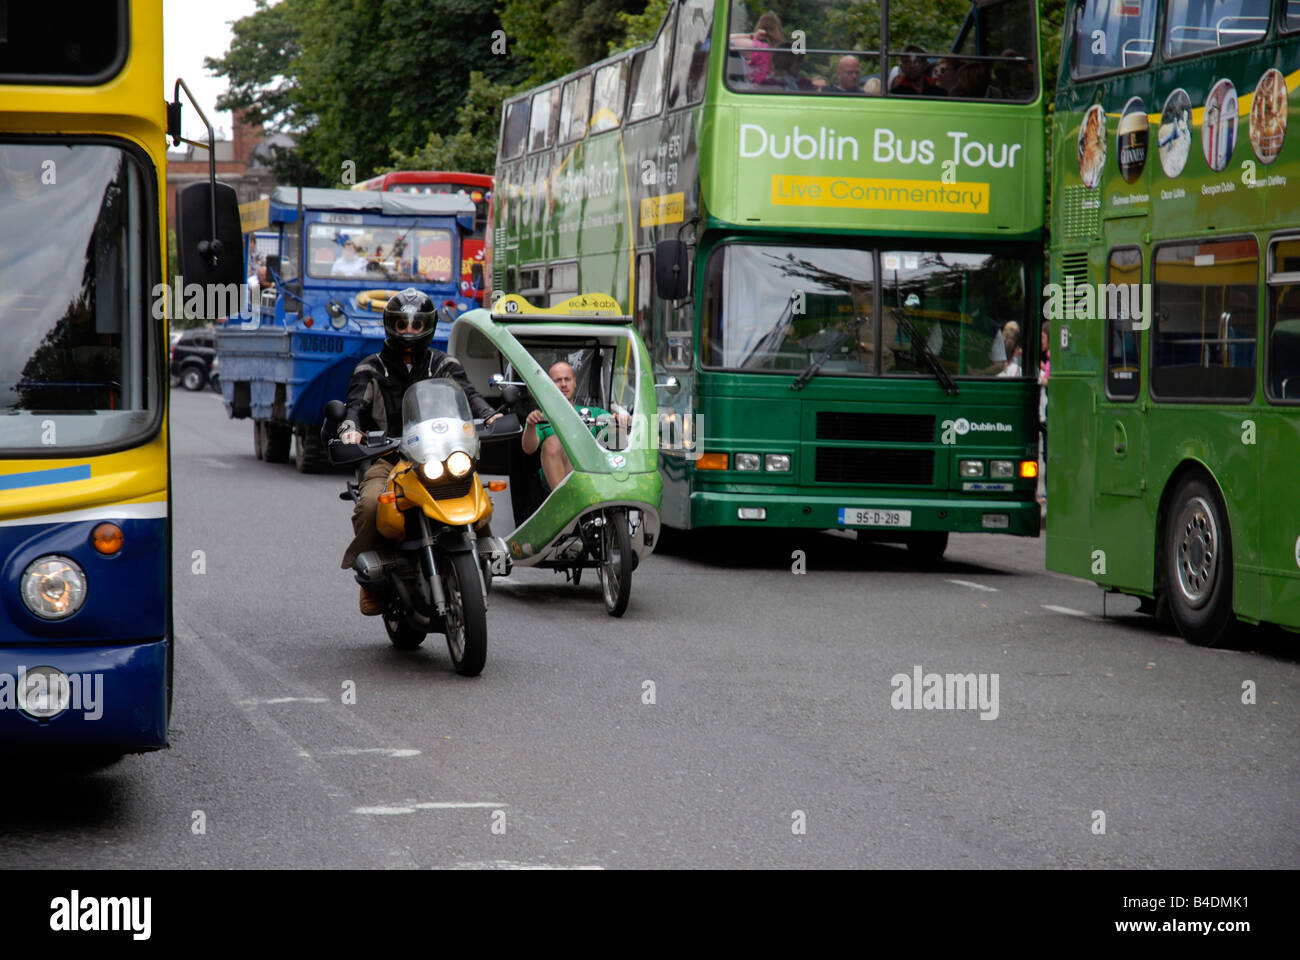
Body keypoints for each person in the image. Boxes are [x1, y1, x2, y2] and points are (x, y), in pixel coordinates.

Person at [338, 288, 501, 615]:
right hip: (390, 457)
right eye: (401, 325)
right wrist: (350, 429)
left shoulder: (444, 364)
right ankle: (370, 581)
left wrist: (489, 415)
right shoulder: (370, 368)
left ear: (428, 325)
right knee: (371, 504)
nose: (409, 332)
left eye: (416, 325)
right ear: (390, 326)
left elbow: (468, 395)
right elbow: (354, 407)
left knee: (474, 490)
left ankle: (486, 549)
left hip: (440, 456)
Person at [521, 361, 627, 491]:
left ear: (575, 382)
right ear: (549, 385)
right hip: (557, 485)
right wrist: (531, 425)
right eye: (558, 380)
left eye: (567, 379)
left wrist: (622, 422)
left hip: (593, 478)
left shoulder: (595, 412)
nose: (564, 384)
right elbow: (528, 448)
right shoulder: (541, 418)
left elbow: (616, 436)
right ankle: (564, 499)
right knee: (553, 442)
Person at [729, 11, 783, 85]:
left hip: (756, 89)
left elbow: (726, 40)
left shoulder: (756, 46)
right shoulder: (780, 48)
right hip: (774, 88)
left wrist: (751, 35)